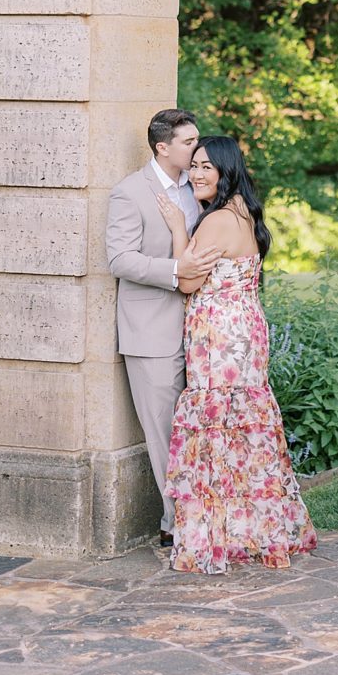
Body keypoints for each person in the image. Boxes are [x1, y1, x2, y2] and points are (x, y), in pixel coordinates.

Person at [157, 135, 317, 574]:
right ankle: (257, 529)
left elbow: (188, 281)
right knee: (246, 426)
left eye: (207, 166)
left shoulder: (214, 222)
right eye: (194, 165)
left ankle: (216, 534)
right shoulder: (245, 213)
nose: (197, 174)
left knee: (217, 426)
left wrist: (176, 228)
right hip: (247, 326)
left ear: (226, 170)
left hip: (219, 335)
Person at [106, 109, 222, 545]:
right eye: (189, 141)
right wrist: (177, 270)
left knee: (198, 428)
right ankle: (176, 526)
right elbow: (119, 258)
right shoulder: (130, 193)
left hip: (201, 330)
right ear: (163, 147)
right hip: (151, 332)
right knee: (165, 433)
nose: (198, 146)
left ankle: (205, 513)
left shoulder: (198, 189)